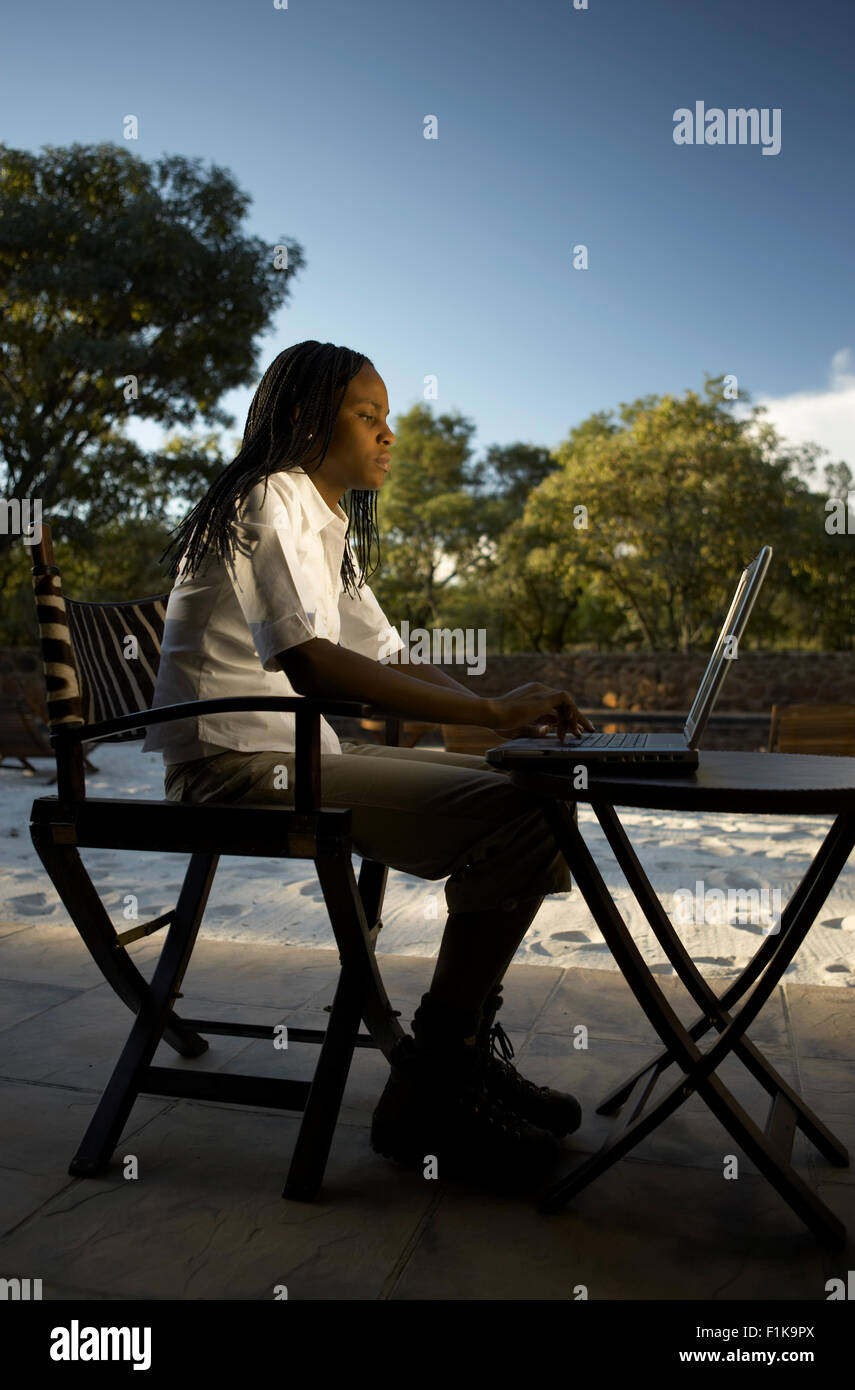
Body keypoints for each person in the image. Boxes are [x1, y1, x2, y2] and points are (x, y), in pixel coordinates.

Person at [147, 340, 596, 1194]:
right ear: (300, 420)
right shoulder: (265, 498)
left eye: (389, 419)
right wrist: (491, 715)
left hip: (293, 757)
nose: (388, 434)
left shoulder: (326, 522)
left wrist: (500, 707)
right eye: (367, 416)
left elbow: (390, 659)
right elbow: (315, 667)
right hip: (234, 767)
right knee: (526, 815)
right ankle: (437, 1082)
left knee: (531, 795)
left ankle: (448, 1065)